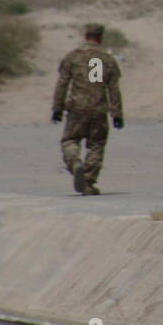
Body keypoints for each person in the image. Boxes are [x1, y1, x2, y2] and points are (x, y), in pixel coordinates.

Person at [51, 22, 123, 196]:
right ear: (100, 37)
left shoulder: (72, 57)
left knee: (70, 140)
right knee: (96, 145)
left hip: (77, 108)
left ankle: (75, 163)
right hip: (98, 108)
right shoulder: (107, 59)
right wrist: (117, 113)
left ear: (85, 36)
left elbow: (62, 84)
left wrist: (57, 108)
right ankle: (88, 182)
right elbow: (113, 89)